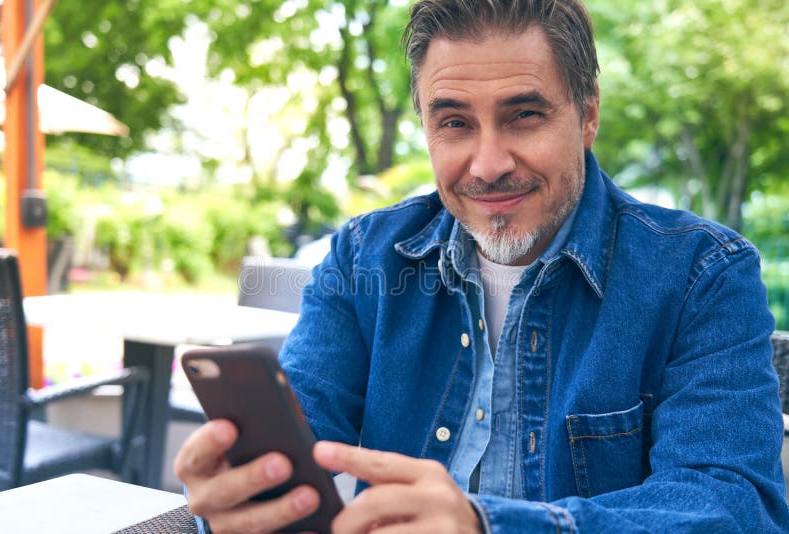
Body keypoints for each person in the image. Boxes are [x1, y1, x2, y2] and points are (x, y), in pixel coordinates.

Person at [174, 1, 789, 531]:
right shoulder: (363, 256)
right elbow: (293, 438)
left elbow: (733, 509)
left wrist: (488, 527)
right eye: (455, 123)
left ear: (588, 117)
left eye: (524, 114)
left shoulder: (702, 274)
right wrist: (232, 498)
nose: (488, 163)